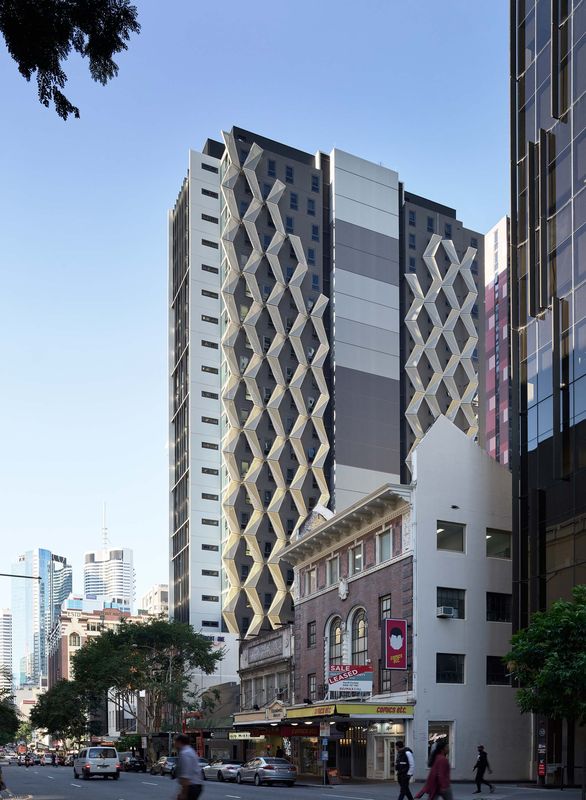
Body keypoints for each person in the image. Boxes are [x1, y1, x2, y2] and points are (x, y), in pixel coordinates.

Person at [174, 734, 203, 800]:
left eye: (175, 742)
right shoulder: (190, 751)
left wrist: (184, 793)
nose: (174, 745)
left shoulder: (185, 753)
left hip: (192, 786)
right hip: (194, 785)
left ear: (179, 742)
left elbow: (186, 776)